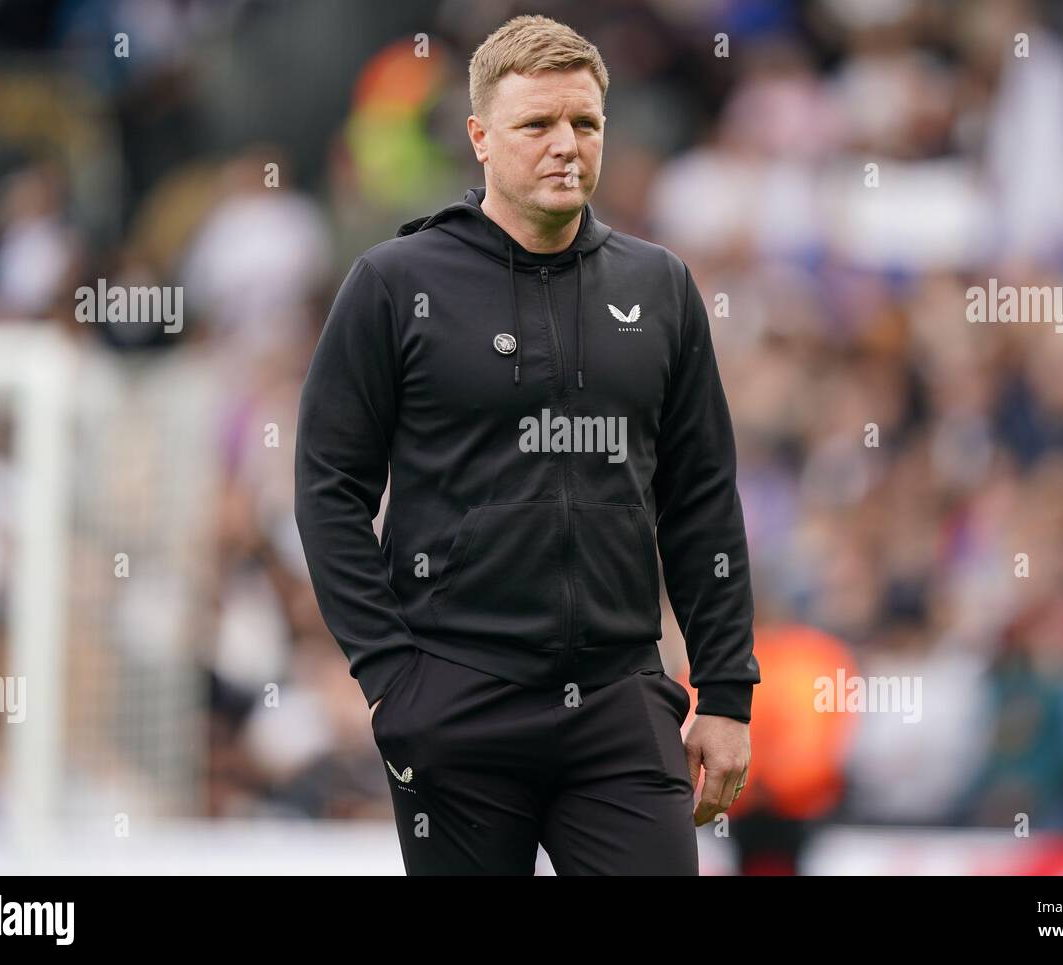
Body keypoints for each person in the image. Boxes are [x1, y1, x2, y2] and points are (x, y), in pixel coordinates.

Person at [294, 14, 759, 875]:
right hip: (454, 697)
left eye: (584, 123)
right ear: (479, 137)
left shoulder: (660, 288)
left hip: (621, 703)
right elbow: (328, 491)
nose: (565, 146)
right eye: (536, 124)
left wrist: (726, 690)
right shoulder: (395, 284)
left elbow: (700, 498)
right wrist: (392, 678)